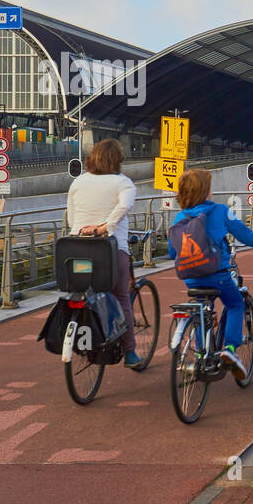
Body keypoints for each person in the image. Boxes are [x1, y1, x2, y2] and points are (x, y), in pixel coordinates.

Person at [168, 168, 253, 381]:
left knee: (202, 309)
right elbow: (246, 236)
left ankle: (202, 355)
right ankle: (230, 349)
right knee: (235, 304)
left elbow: (173, 252)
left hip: (191, 277)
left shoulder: (180, 217)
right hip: (217, 274)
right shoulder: (220, 211)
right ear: (205, 191)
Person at [66, 138, 142, 368]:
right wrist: (105, 227)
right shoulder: (123, 183)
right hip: (110, 251)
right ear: (117, 160)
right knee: (121, 297)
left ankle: (84, 339)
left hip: (77, 250)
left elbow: (71, 218)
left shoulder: (78, 182)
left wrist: (83, 229)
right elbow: (124, 206)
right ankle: (130, 353)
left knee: (85, 293)